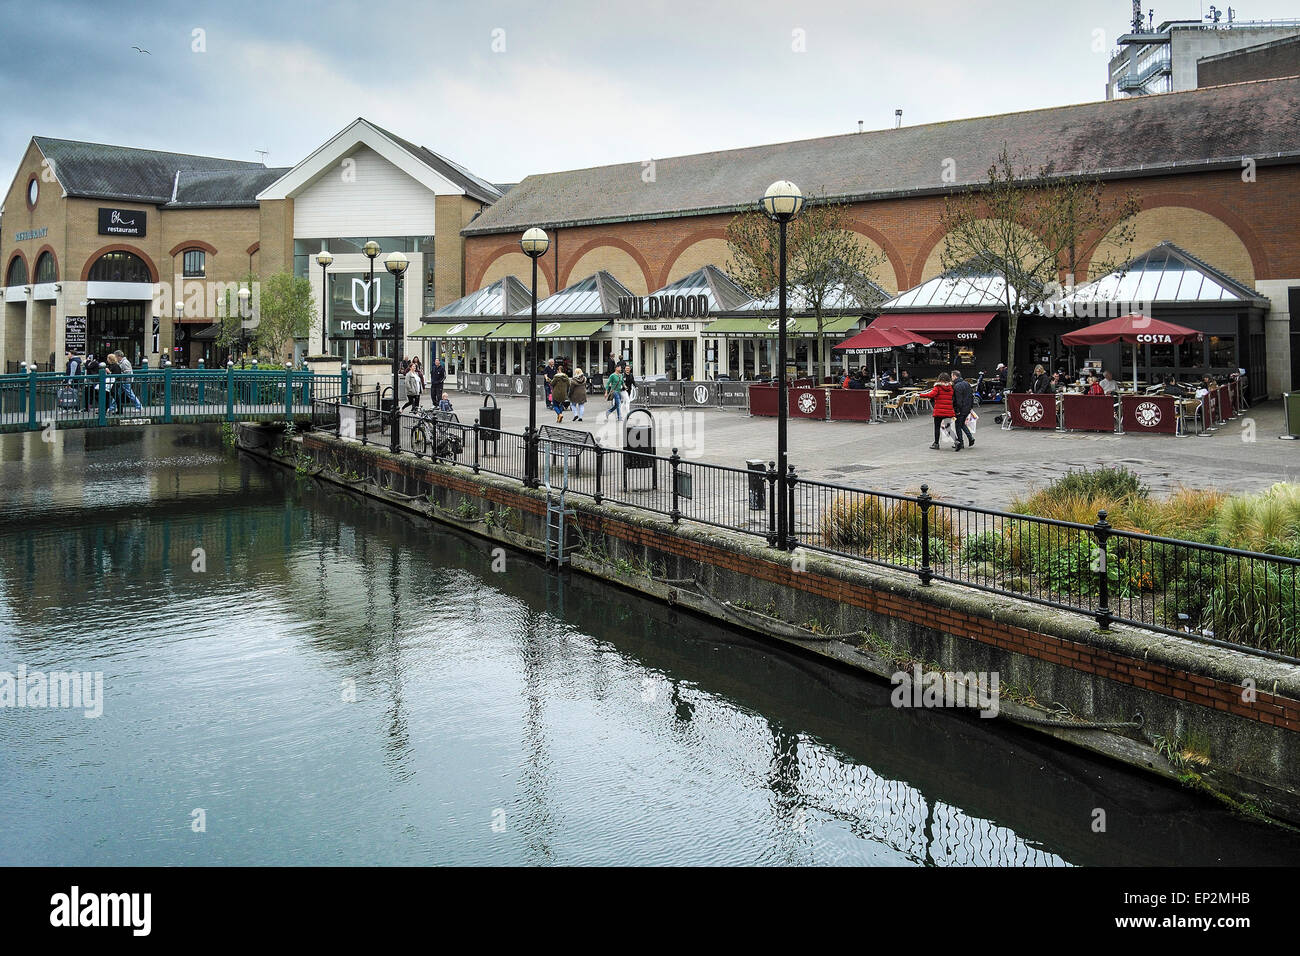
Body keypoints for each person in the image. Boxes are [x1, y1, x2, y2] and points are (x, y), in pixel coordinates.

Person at [918, 372, 956, 450]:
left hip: (939, 411)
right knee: (948, 428)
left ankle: (936, 444)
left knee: (937, 428)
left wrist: (920, 395)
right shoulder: (950, 387)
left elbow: (931, 395)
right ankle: (956, 441)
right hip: (948, 411)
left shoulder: (937, 387)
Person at [951, 369, 975, 451]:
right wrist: (971, 407)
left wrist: (957, 410)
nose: (951, 378)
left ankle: (961, 443)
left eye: (952, 376)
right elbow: (971, 396)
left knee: (958, 426)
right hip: (967, 408)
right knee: (961, 424)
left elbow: (958, 400)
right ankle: (970, 437)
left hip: (961, 409)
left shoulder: (957, 386)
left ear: (955, 376)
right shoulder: (967, 384)